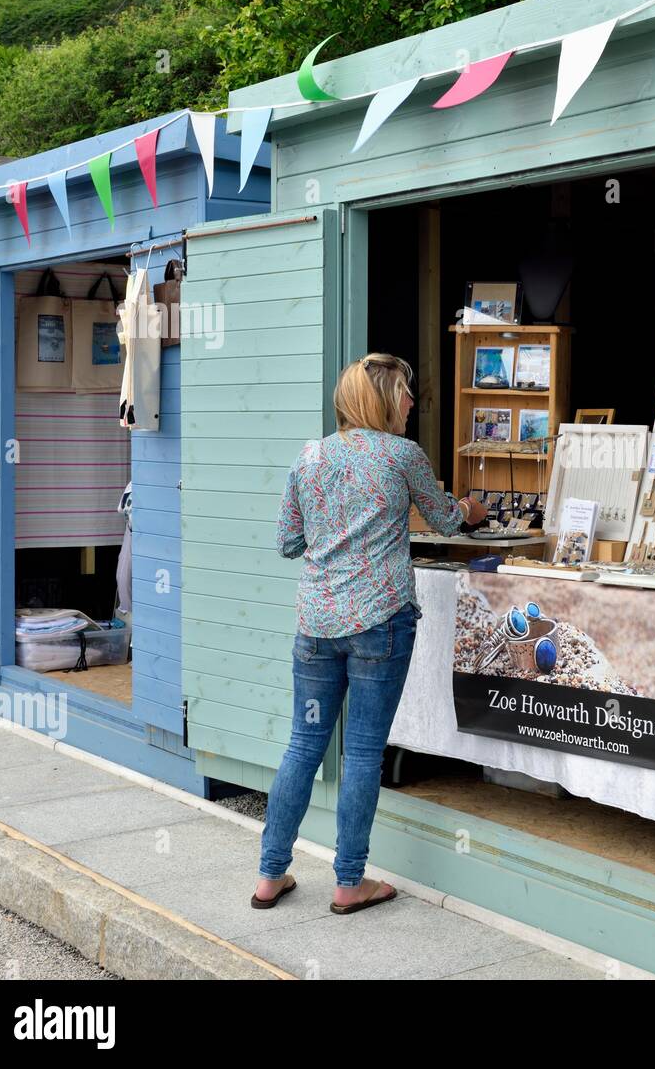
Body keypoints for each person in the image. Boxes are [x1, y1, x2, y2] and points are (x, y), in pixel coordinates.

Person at [252, 353, 486, 914]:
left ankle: (269, 875)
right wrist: (472, 509)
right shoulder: (402, 455)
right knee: (361, 752)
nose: (412, 403)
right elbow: (449, 520)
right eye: (406, 393)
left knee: (302, 745)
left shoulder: (309, 457)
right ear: (383, 399)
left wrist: (338, 531)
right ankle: (348, 883)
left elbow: (288, 542)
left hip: (315, 626)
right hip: (380, 623)